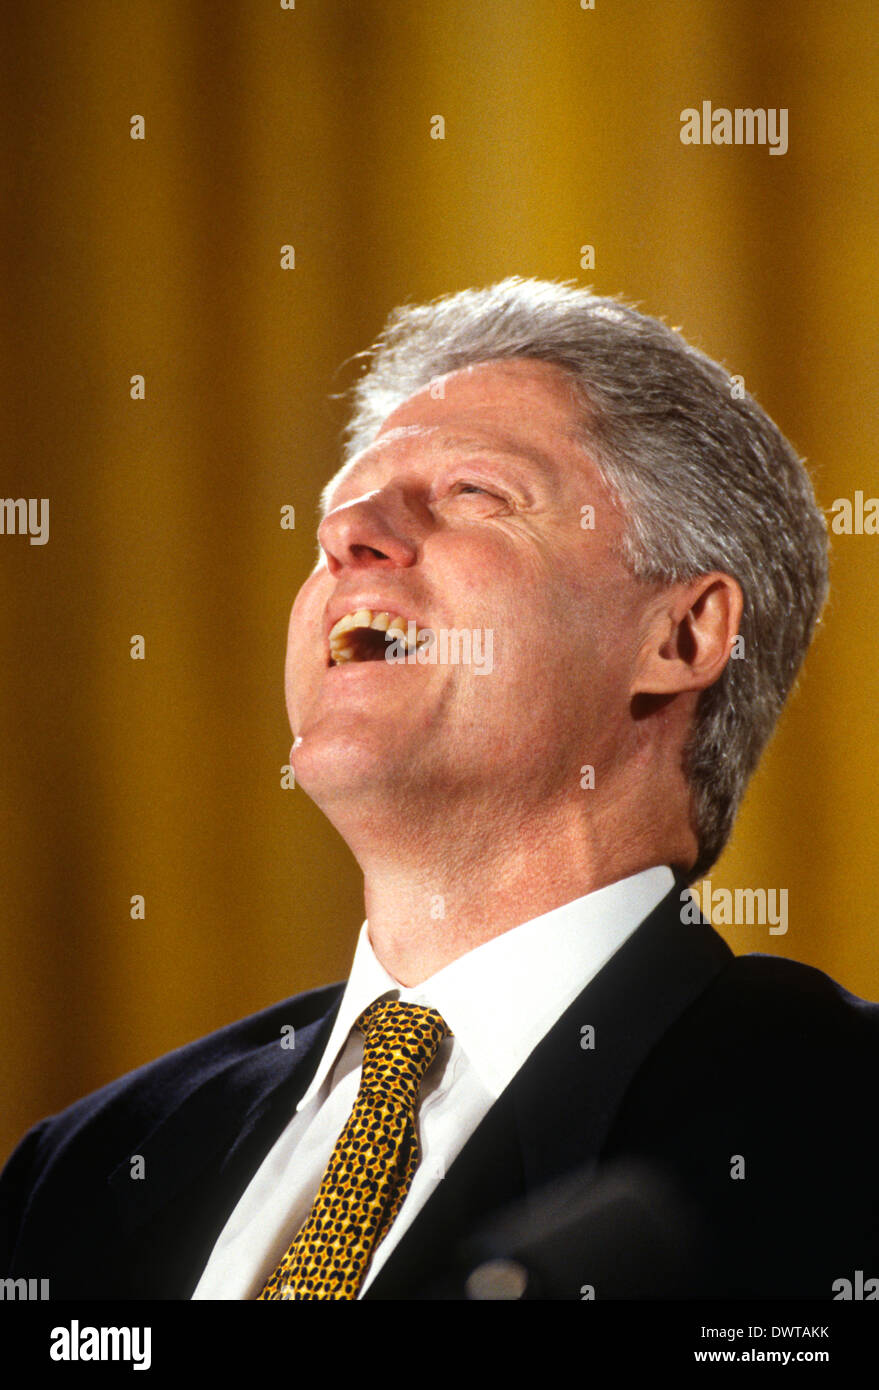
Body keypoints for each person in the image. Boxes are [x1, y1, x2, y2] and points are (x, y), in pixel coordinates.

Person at [2, 278, 877, 1301]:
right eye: (338, 513)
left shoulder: (841, 1129)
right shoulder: (79, 1170)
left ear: (678, 636)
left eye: (472, 492)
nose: (349, 535)